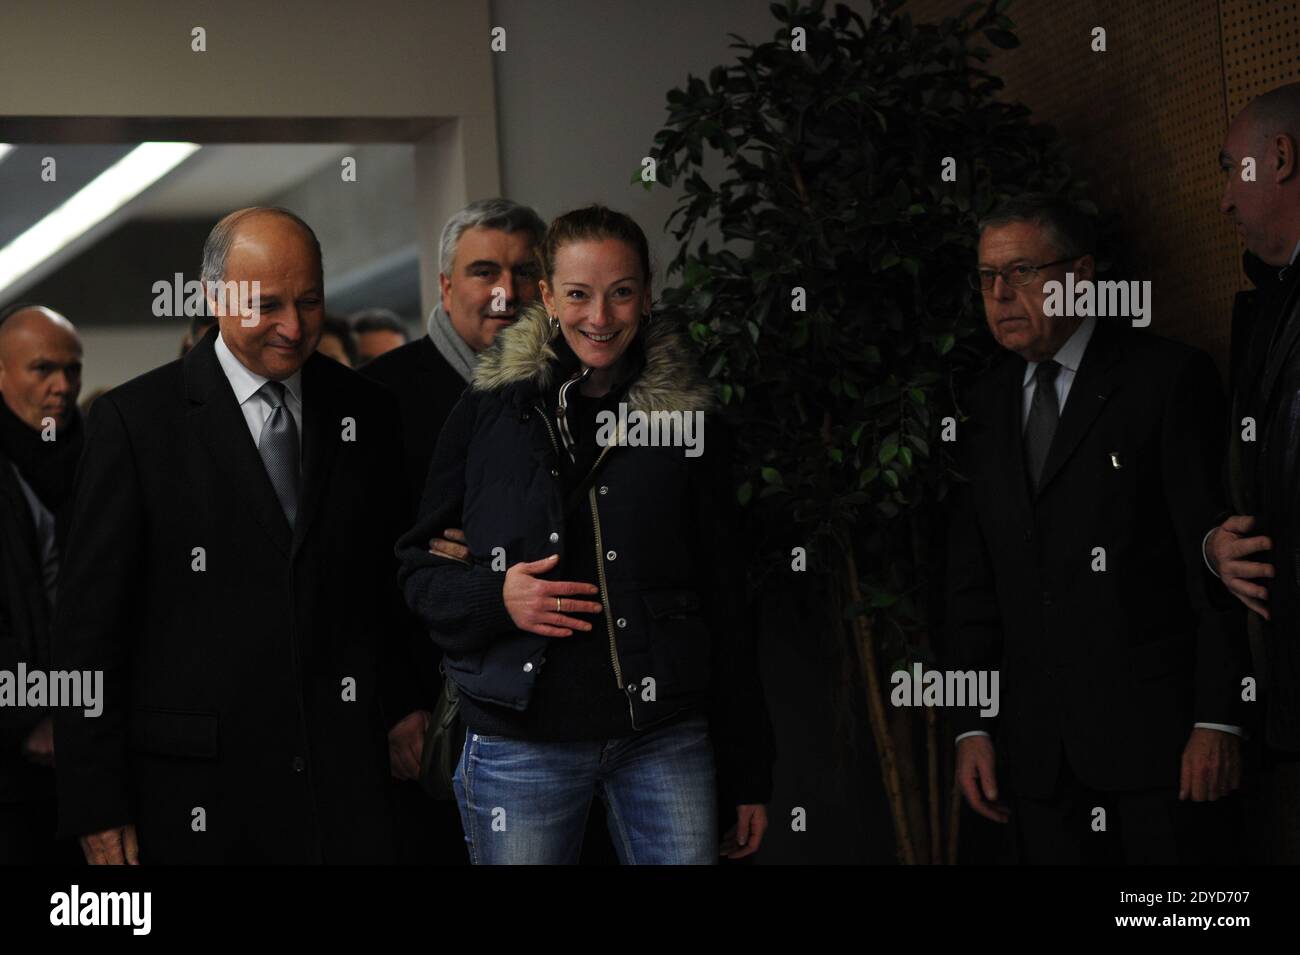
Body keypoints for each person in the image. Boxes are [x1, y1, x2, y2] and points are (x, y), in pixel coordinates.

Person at [397, 205, 773, 864]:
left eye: (621, 292)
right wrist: (497, 597)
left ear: (647, 293)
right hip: (520, 737)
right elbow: (417, 568)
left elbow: (725, 592)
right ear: (547, 296)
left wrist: (748, 768)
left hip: (662, 731)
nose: (600, 316)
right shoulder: (490, 404)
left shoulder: (688, 415)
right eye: (578, 294)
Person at [51, 207, 421, 864]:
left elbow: (384, 585)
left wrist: (403, 704)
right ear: (212, 297)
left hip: (345, 785)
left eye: (309, 301)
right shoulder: (135, 424)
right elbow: (89, 632)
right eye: (267, 304)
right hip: (198, 793)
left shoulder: (366, 410)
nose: (293, 326)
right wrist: (97, 802)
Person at [946, 194, 1249, 864]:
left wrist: (1218, 714)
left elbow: (1216, 559)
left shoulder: (1167, 378)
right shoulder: (983, 406)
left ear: (1079, 274)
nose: (999, 294)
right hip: (1036, 764)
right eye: (987, 277)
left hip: (1162, 752)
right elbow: (972, 589)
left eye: (1021, 271)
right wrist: (972, 724)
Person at [361, 199, 547, 864]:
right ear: (445, 286)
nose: (506, 291)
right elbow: (357, 566)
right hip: (432, 708)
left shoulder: (571, 386)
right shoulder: (378, 395)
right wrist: (395, 704)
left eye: (525, 271)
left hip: (550, 705)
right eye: (483, 271)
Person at [1209, 81, 1300, 861]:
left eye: (1229, 169)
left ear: (1281, 157)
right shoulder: (1266, 304)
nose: (1222, 201)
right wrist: (1218, 546)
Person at [0, 304, 84, 864]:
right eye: (42, 369)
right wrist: (27, 717)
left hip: (93, 739)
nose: (62, 386)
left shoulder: (102, 455)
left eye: (73, 369)